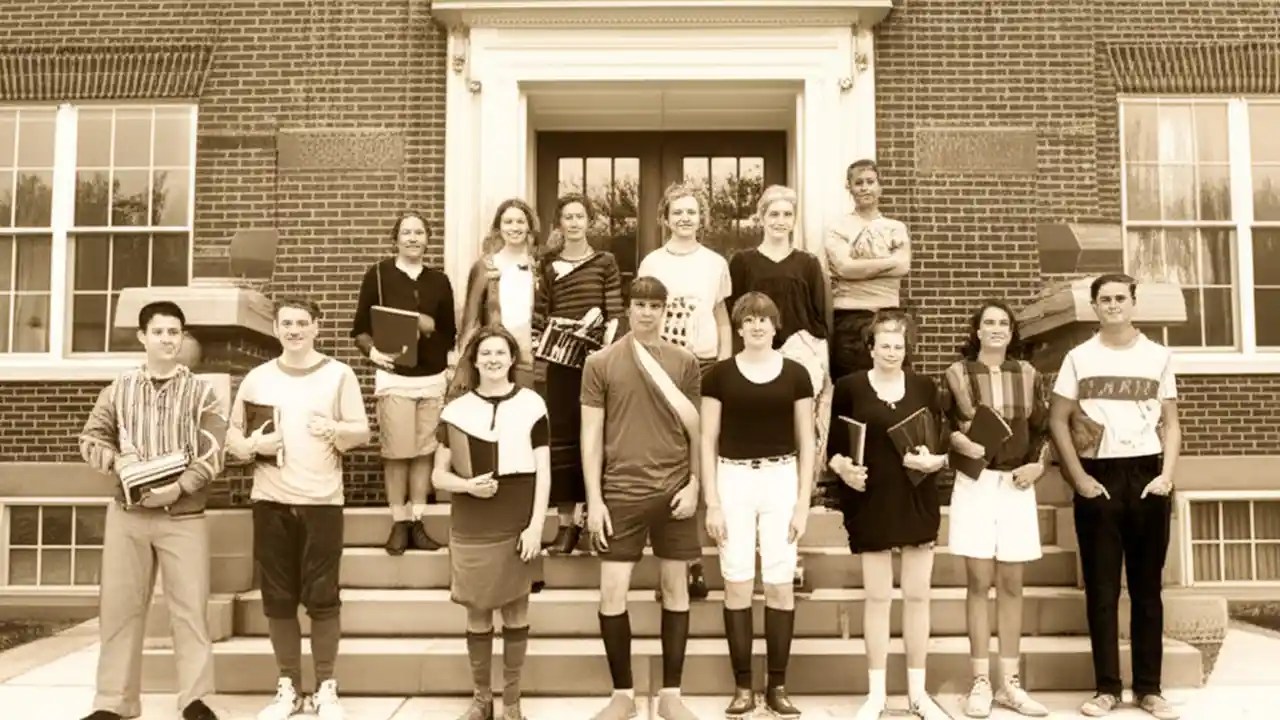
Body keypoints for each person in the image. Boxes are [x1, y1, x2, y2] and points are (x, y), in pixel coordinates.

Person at [78, 300, 226, 720]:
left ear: (182, 338)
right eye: (158, 332)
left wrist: (178, 487)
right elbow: (92, 437)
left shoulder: (202, 393)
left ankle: (196, 700)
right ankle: (114, 702)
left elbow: (214, 450)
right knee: (120, 609)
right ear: (143, 337)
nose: (167, 339)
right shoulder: (118, 389)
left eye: (174, 332)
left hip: (183, 516)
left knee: (190, 610)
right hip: (129, 514)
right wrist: (118, 462)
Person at [225, 298, 371, 720]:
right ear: (275, 329)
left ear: (316, 327)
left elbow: (361, 432)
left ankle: (325, 687)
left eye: (302, 323)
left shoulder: (339, 374)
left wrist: (335, 429)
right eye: (286, 323)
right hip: (270, 500)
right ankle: (288, 686)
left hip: (321, 501)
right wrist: (254, 445)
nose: (294, 330)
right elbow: (233, 437)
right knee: (278, 598)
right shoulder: (257, 378)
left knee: (323, 597)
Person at [1048, 273, 1180, 720]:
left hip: (1146, 474)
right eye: (1104, 299)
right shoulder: (1079, 357)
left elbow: (1171, 423)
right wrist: (1079, 479)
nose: (1113, 305)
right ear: (1094, 307)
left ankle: (1149, 689)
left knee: (1147, 590)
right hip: (1099, 474)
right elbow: (1058, 420)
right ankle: (1106, 688)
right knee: (1102, 589)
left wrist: (1166, 476)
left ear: (1134, 303)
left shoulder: (1158, 355)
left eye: (1121, 297)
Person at [582, 276, 702, 720]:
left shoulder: (685, 362)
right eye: (640, 304)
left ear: (665, 310)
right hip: (620, 491)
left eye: (655, 306)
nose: (647, 312)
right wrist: (594, 500)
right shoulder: (600, 362)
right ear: (628, 308)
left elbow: (698, 432)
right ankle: (623, 695)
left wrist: (695, 483)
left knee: (676, 589)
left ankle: (672, 694)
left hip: (675, 490)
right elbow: (590, 436)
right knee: (611, 592)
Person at [826, 310, 949, 720]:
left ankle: (918, 694)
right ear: (871, 348)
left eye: (899, 346)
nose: (892, 352)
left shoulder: (925, 387)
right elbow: (834, 450)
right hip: (872, 499)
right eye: (885, 345)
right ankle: (876, 694)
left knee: (917, 595)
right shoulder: (850, 387)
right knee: (877, 597)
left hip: (916, 497)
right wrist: (843, 468)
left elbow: (940, 444)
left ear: (906, 349)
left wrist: (934, 460)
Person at [701, 292, 814, 719]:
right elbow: (707, 440)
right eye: (748, 319)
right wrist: (712, 502)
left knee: (780, 582)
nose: (757, 325)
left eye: (764, 318)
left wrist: (802, 503)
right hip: (733, 478)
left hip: (780, 478)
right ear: (738, 326)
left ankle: (777, 686)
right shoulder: (719, 376)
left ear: (775, 324)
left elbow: (807, 441)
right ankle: (743, 686)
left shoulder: (796, 375)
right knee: (738, 581)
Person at [433, 325, 552, 720]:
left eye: (500, 352)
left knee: (516, 611)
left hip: (517, 517)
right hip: (472, 522)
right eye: (485, 353)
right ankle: (482, 699)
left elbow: (543, 472)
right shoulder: (456, 410)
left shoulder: (532, 404)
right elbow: (438, 476)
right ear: (475, 360)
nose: (493, 359)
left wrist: (536, 526)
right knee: (477, 611)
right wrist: (467, 485)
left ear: (512, 359)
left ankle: (512, 702)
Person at [944, 300, 1050, 718]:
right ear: (977, 331)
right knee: (977, 582)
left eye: (1003, 323)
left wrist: (1038, 465)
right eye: (988, 322)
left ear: (1011, 331)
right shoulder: (956, 374)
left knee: (1011, 583)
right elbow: (941, 426)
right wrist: (956, 440)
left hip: (1016, 485)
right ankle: (980, 681)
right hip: (976, 483)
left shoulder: (1028, 373)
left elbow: (1043, 430)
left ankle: (1010, 682)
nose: (996, 328)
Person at [727, 183, 831, 588]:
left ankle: (790, 554)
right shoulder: (743, 262)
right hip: (755, 359)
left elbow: (820, 318)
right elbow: (734, 312)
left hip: (799, 358)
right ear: (761, 217)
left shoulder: (808, 263)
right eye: (773, 213)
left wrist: (819, 365)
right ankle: (748, 554)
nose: (780, 221)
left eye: (787, 214)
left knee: (796, 447)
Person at [637, 181, 733, 600]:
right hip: (664, 366)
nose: (685, 218)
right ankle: (677, 564)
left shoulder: (715, 263)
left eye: (692, 211)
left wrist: (726, 365)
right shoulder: (652, 262)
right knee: (670, 460)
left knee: (704, 456)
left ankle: (701, 560)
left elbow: (722, 317)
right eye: (677, 211)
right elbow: (642, 317)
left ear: (702, 218)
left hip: (706, 364)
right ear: (665, 217)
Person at [350, 211, 457, 555]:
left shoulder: (439, 281)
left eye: (419, 232)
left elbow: (449, 332)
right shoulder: (378, 275)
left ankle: (417, 522)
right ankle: (399, 522)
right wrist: (373, 353)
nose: (413, 238)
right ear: (395, 239)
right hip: (394, 377)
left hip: (432, 378)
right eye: (406, 232)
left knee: (424, 452)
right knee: (397, 452)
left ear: (428, 239)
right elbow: (360, 329)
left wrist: (429, 327)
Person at [532, 193, 625, 556]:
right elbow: (539, 316)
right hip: (560, 366)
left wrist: (604, 352)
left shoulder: (605, 262)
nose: (574, 223)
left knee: (597, 438)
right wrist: (544, 349)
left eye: (580, 217)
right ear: (559, 223)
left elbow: (614, 313)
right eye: (567, 217)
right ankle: (566, 526)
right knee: (563, 443)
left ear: (590, 222)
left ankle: (593, 521)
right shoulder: (548, 265)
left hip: (596, 365)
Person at [823, 159, 911, 382]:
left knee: (893, 383)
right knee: (850, 384)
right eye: (858, 182)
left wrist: (859, 268)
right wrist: (888, 262)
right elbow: (844, 268)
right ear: (849, 187)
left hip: (890, 315)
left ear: (880, 186)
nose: (864, 188)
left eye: (870, 182)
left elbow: (903, 265)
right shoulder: (837, 227)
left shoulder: (896, 228)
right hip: (849, 317)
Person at [458, 198, 540, 392]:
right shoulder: (485, 266)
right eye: (508, 222)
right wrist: (462, 363)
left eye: (520, 221)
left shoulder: (539, 267)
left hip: (532, 361)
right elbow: (471, 319)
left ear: (529, 227)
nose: (515, 227)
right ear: (499, 227)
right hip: (496, 360)